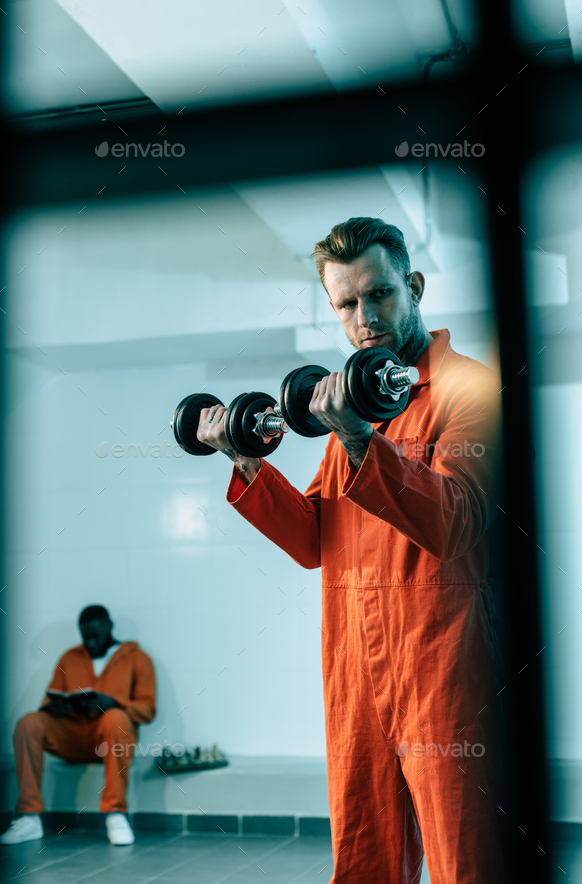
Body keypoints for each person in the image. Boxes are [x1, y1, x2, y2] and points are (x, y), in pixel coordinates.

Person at [196, 218, 506, 883]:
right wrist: (247, 461)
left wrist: (365, 441)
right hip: (355, 670)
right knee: (365, 859)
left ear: (414, 287)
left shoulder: (468, 392)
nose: (366, 318)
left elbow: (456, 521)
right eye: (347, 303)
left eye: (381, 294)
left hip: (444, 670)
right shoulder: (350, 420)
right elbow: (314, 539)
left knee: (466, 861)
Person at [0, 605, 156, 847]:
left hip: (111, 740)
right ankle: (29, 817)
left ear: (109, 627)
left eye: (96, 636)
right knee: (27, 723)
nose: (91, 643)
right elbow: (49, 701)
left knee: (114, 717)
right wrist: (56, 707)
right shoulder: (69, 658)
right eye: (85, 637)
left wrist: (113, 703)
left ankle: (115, 815)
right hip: (72, 737)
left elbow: (148, 710)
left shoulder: (137, 658)